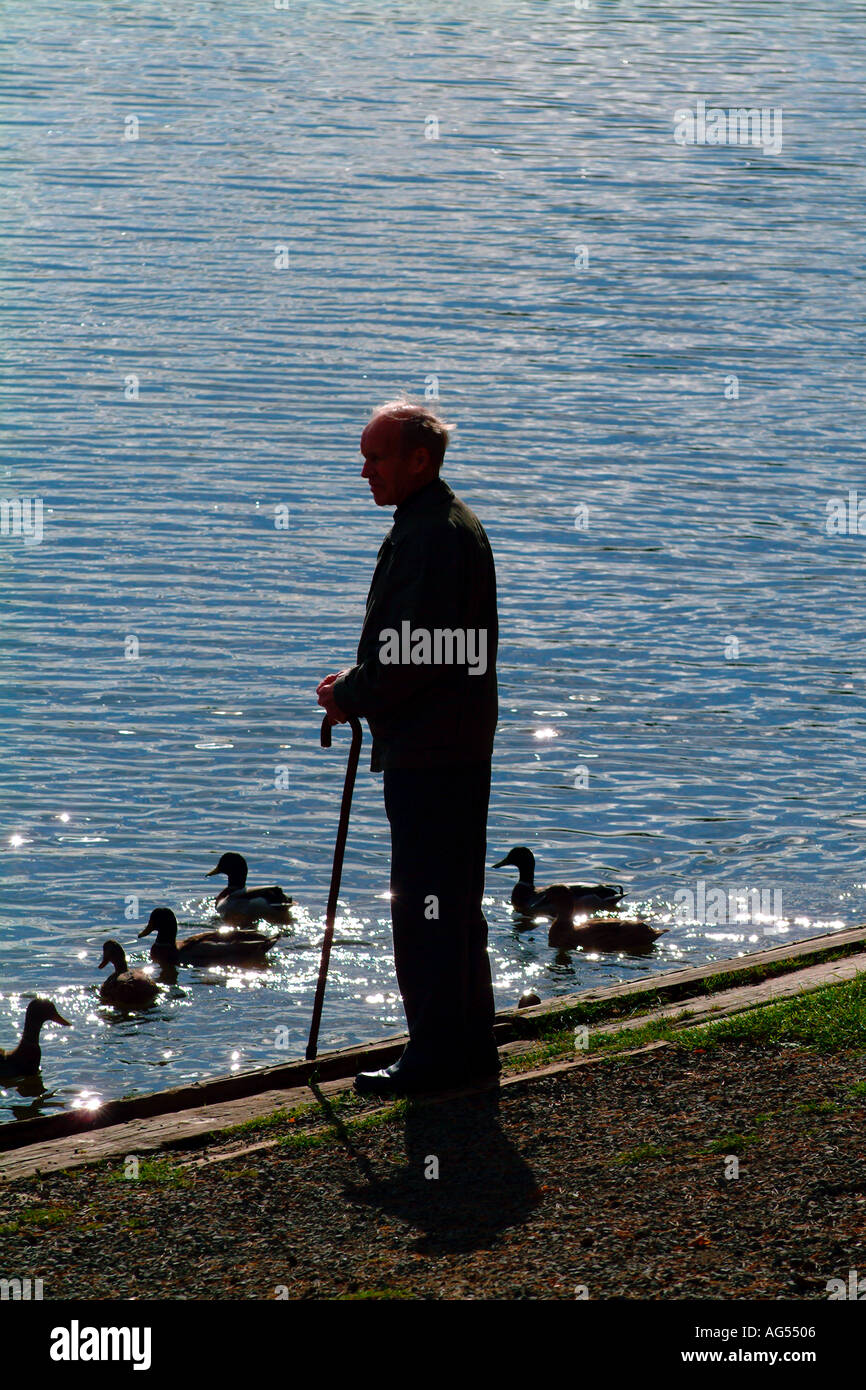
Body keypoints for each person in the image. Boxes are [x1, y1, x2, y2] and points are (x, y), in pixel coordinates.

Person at [317, 398, 499, 1096]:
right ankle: (467, 1050)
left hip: (434, 752)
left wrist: (350, 694)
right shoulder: (448, 525)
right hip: (454, 743)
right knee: (451, 903)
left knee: (424, 905)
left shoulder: (428, 536)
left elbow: (410, 658)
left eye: (376, 458)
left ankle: (433, 1058)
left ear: (418, 460)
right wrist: (362, 684)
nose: (365, 471)